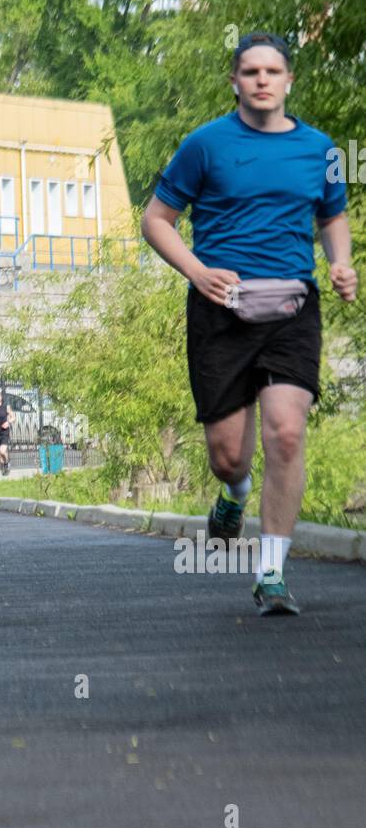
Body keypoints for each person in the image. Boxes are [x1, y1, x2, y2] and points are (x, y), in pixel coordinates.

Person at [141, 31, 356, 615]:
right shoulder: (204, 145)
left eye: (273, 71)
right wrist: (196, 270)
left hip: (291, 310)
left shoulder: (321, 149)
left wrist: (340, 262)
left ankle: (270, 573)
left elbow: (332, 215)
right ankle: (233, 495)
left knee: (286, 431)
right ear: (235, 81)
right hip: (220, 312)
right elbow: (157, 219)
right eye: (251, 72)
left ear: (288, 81)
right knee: (228, 455)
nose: (263, 80)